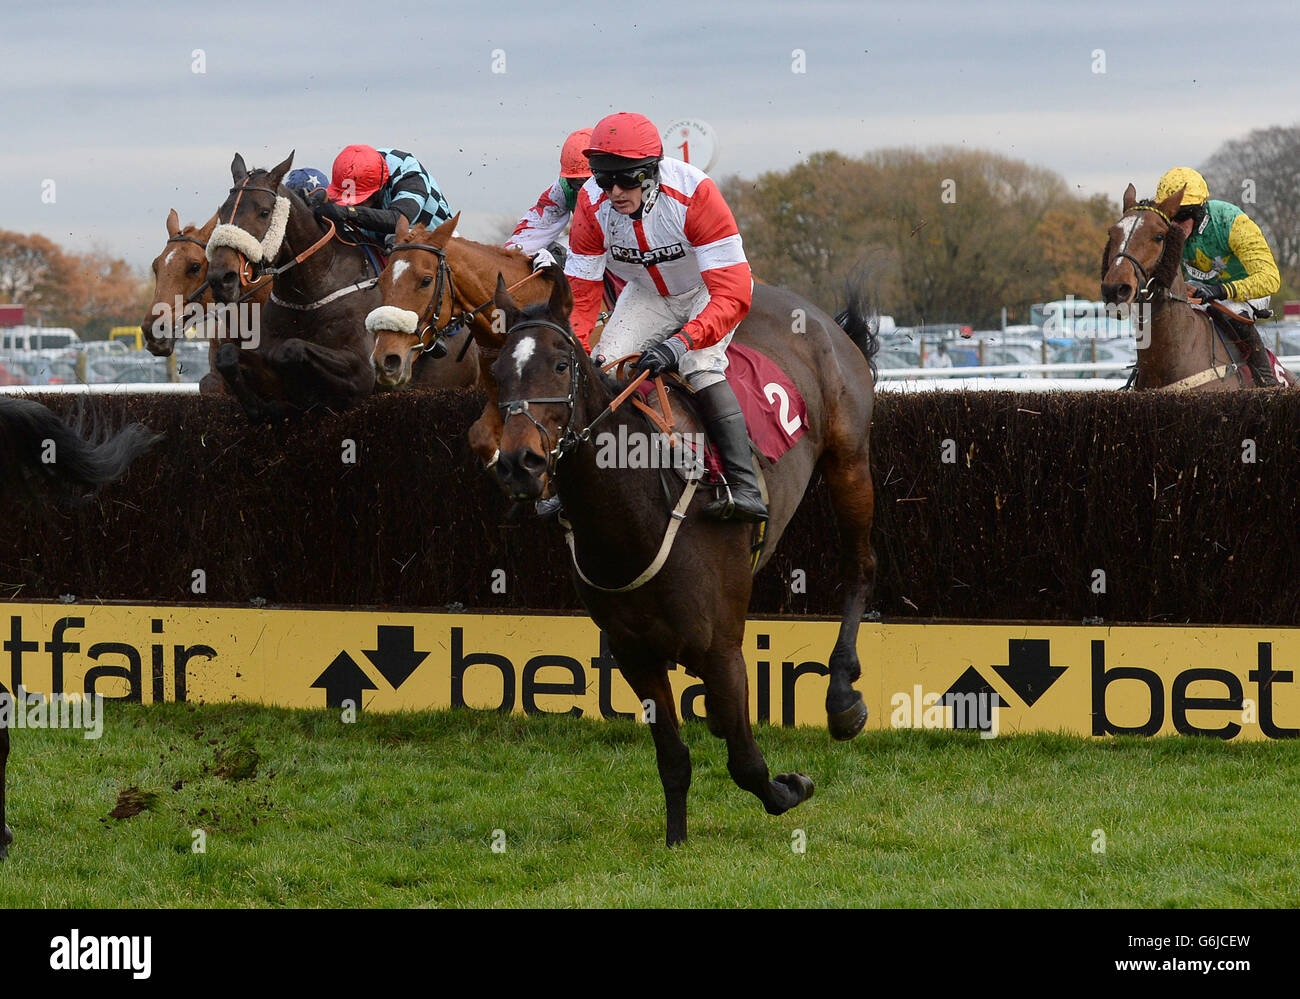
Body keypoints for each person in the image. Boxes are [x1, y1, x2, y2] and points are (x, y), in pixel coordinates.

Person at [565, 111, 765, 522]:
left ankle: (745, 486)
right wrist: (576, 353)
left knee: (698, 364)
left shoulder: (696, 194)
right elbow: (581, 300)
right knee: (599, 367)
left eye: (627, 179)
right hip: (648, 293)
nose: (615, 192)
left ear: (652, 172)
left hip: (709, 288)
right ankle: (573, 482)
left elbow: (731, 292)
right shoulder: (590, 203)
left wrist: (679, 342)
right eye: (605, 179)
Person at [1155, 166, 1281, 384]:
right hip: (1199, 289)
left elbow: (1270, 278)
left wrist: (1219, 290)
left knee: (1226, 311)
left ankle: (1266, 382)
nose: (1174, 225)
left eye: (1182, 216)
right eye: (1169, 216)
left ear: (1199, 211)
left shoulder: (1232, 222)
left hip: (1244, 290)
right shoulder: (1166, 231)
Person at [312, 145, 453, 250]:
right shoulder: (354, 168)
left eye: (361, 200)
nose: (354, 205)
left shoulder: (410, 175)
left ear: (380, 188)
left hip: (434, 240)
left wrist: (349, 212)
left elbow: (398, 221)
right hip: (381, 240)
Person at [505, 128, 593, 271]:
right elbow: (535, 228)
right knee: (554, 251)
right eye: (575, 183)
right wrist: (509, 256)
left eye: (587, 182)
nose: (581, 189)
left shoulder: (624, 189)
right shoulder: (562, 188)